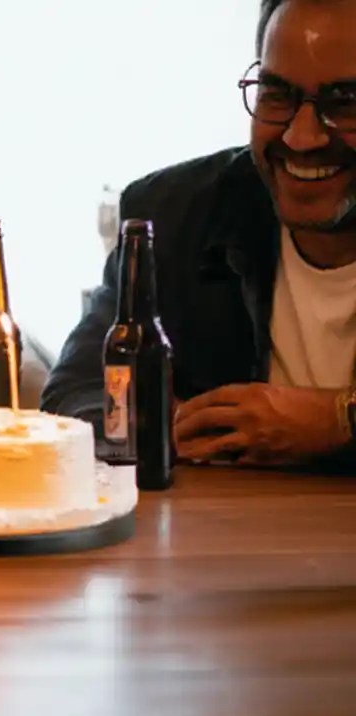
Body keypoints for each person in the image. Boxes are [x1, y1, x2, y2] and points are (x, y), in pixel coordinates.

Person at [43, 0, 356, 469]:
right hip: (221, 534)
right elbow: (75, 395)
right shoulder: (173, 215)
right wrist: (152, 428)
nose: (300, 136)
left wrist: (338, 420)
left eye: (345, 102)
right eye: (277, 95)